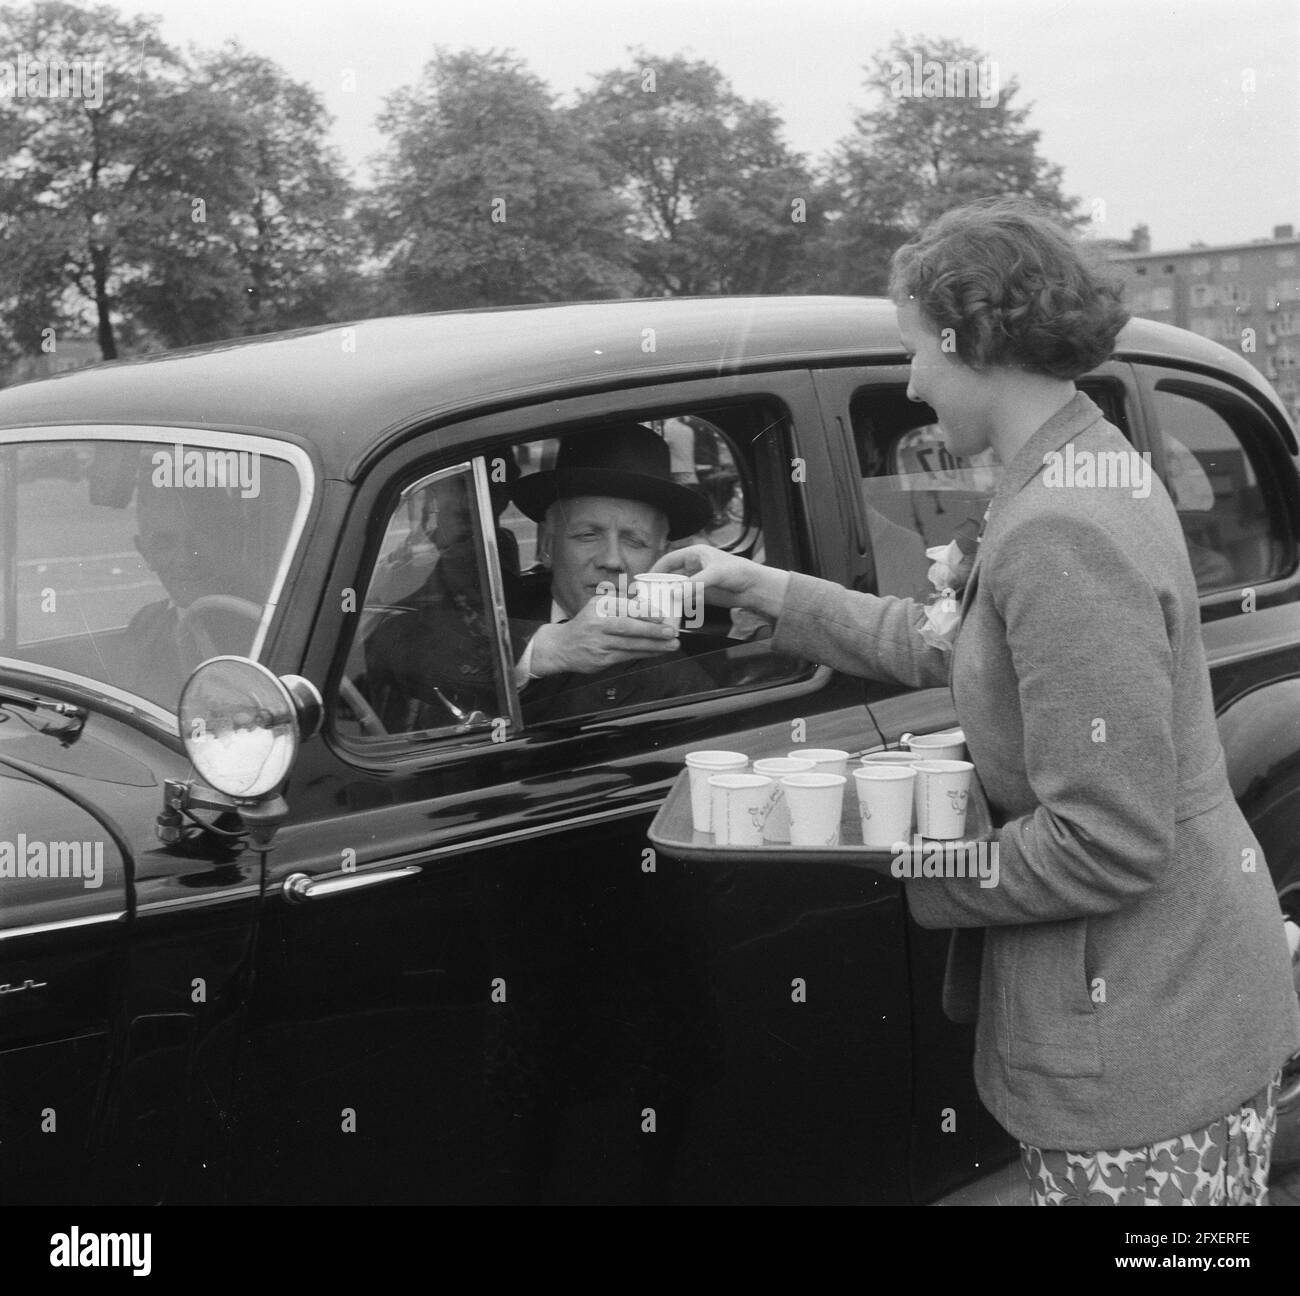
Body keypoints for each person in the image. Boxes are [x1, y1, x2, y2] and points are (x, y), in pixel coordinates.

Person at [653, 197, 1300, 1205]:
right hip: (1166, 1007)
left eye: (916, 352)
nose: (911, 382)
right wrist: (765, 590)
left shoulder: (1060, 527)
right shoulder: (1076, 465)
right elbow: (960, 646)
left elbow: (1109, 840)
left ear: (976, 342)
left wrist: (914, 861)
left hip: (1141, 1038)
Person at [508, 423, 717, 722]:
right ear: (545, 544)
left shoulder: (680, 685)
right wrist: (550, 648)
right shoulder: (493, 614)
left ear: (663, 560)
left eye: (635, 541)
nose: (612, 560)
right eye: (588, 535)